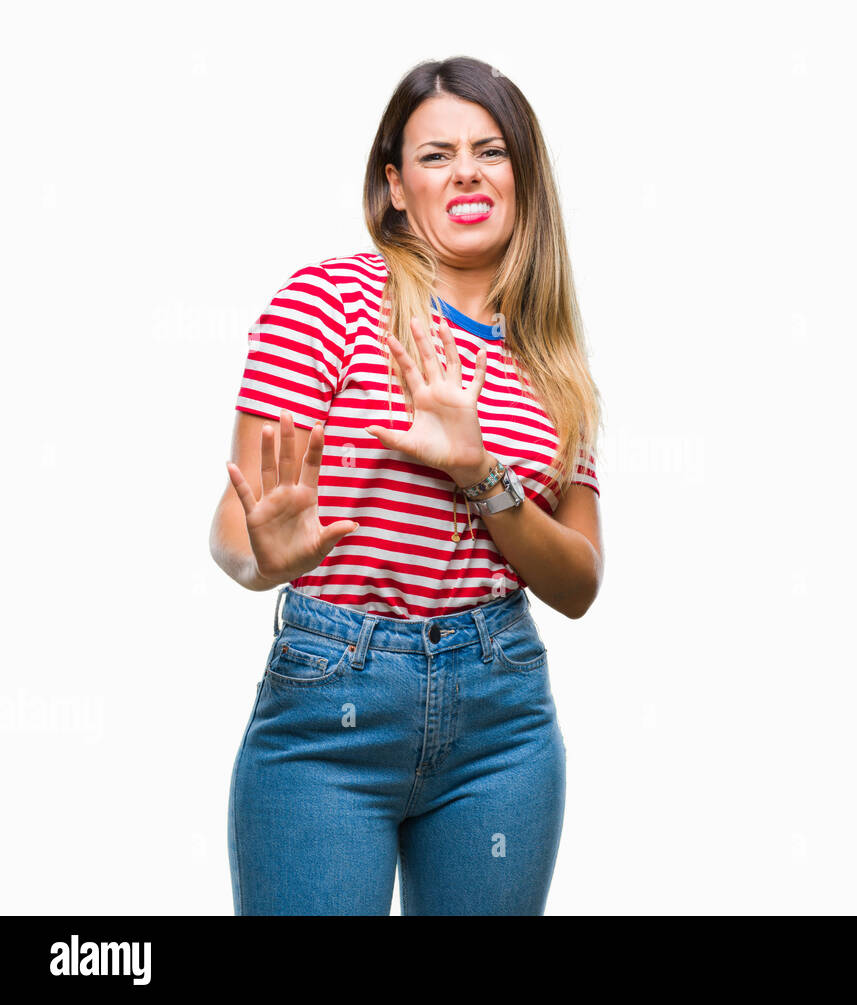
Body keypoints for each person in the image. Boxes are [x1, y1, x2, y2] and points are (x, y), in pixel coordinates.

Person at [208, 56, 604, 915]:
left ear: (521, 177)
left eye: (489, 150)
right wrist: (266, 559)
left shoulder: (555, 366)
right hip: (330, 715)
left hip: (503, 730)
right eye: (435, 155)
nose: (465, 170)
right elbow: (237, 536)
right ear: (394, 186)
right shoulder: (327, 302)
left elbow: (578, 582)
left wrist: (479, 470)